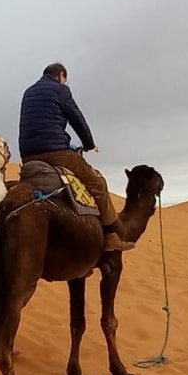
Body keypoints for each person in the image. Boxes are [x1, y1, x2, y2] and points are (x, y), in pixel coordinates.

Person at [18, 62, 134, 251]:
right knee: (97, 182)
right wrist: (89, 144)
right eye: (65, 79)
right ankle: (111, 235)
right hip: (55, 152)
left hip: (28, 156)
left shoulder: (28, 92)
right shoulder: (60, 90)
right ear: (61, 75)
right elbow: (76, 118)